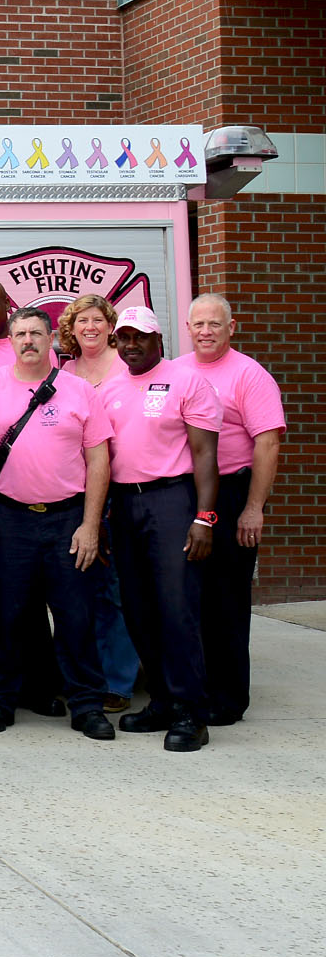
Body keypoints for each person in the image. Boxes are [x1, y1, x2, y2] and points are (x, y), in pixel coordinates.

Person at [0, 306, 116, 741]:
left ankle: (86, 705)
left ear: (51, 341)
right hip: (9, 519)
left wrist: (90, 524)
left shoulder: (80, 390)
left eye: (36, 333)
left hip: (68, 518)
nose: (28, 340)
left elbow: (98, 457)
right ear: (11, 341)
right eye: (20, 333)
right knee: (5, 616)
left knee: (76, 617)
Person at [100, 306, 222, 752]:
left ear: (159, 341)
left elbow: (206, 456)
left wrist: (204, 517)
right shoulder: (109, 389)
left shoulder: (187, 381)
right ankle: (163, 702)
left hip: (172, 499)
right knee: (138, 607)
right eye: (124, 337)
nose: (132, 345)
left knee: (177, 608)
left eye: (141, 337)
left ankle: (192, 712)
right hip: (124, 504)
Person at [178, 293, 285, 726]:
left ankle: (227, 698)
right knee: (187, 598)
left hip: (231, 494)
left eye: (214, 324)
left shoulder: (250, 375)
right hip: (183, 494)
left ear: (231, 327)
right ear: (188, 329)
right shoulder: (177, 371)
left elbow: (268, 443)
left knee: (226, 598)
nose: (205, 331)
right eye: (199, 324)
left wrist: (253, 508)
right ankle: (191, 689)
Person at [57, 294, 143, 712]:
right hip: (77, 493)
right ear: (70, 329)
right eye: (80, 321)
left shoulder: (129, 367)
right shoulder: (63, 371)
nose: (89, 327)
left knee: (115, 591)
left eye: (97, 320)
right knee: (78, 591)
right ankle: (81, 676)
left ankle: (117, 681)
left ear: (111, 326)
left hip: (123, 491)